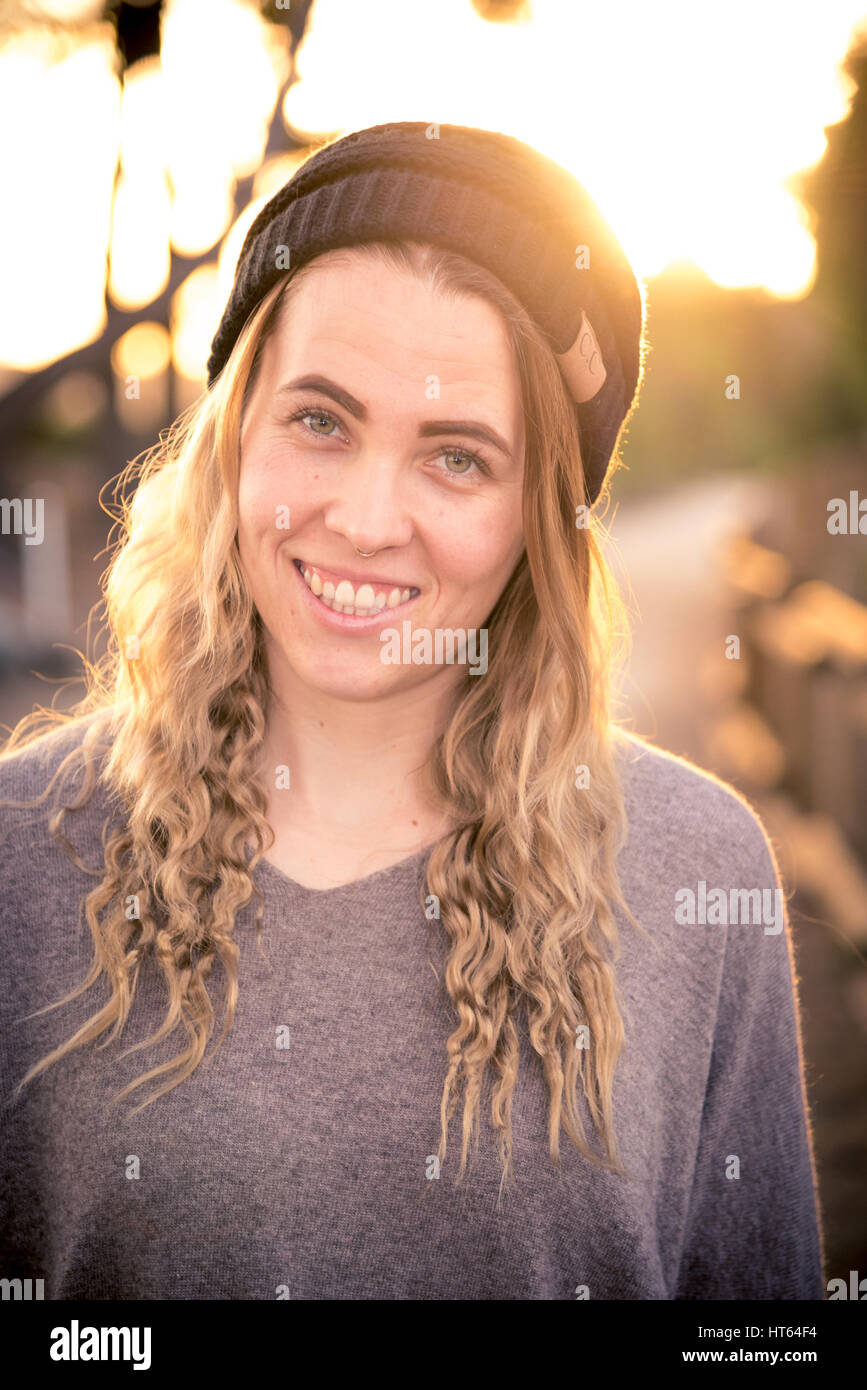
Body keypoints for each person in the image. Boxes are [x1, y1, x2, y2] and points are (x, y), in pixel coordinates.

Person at [0, 120, 825, 1300]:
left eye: (457, 457)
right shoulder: (21, 856)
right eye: (321, 420)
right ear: (233, 440)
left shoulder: (700, 872)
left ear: (538, 518)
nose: (368, 518)